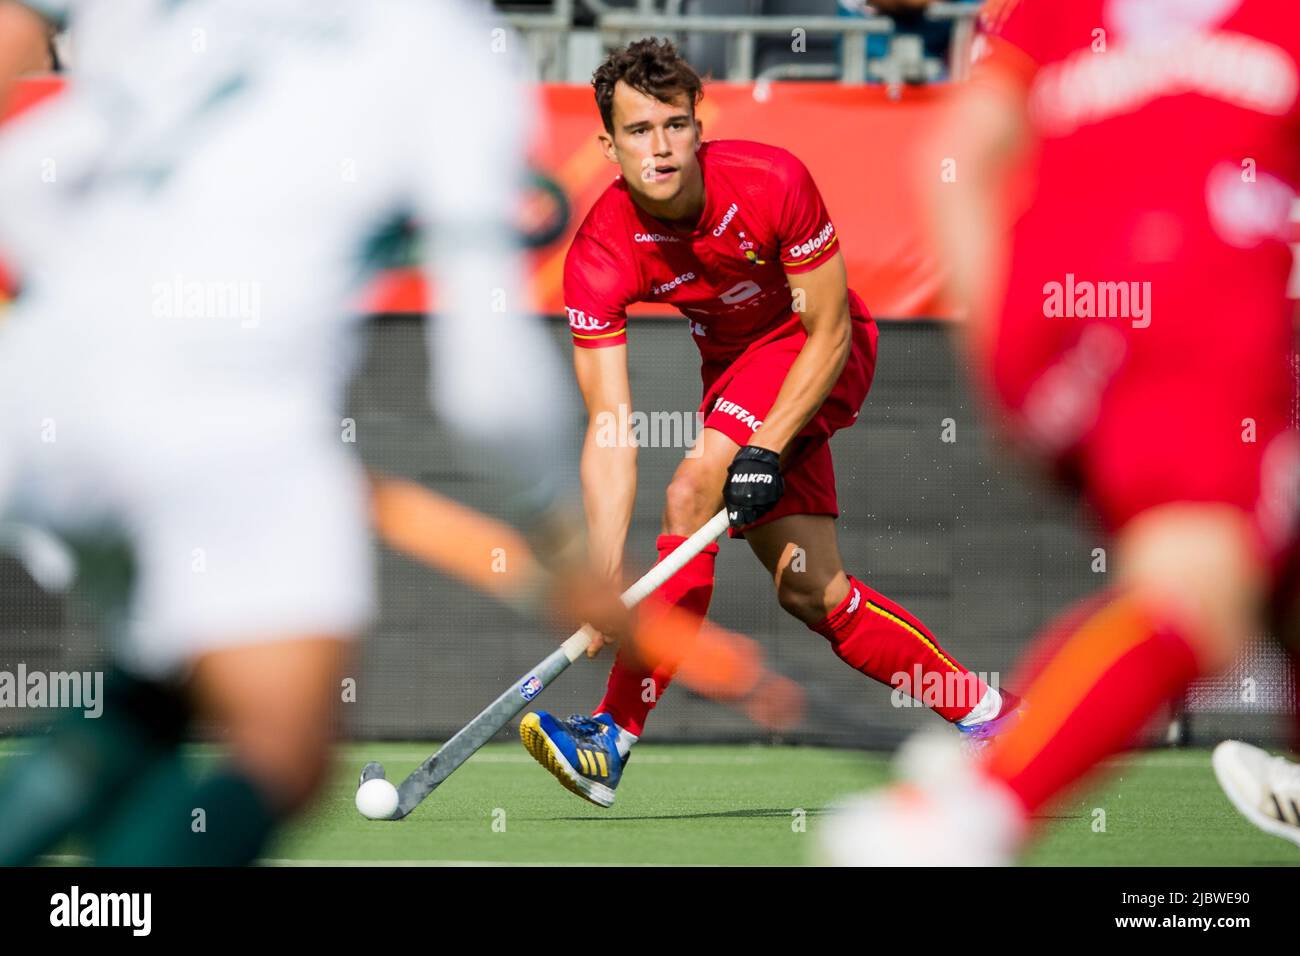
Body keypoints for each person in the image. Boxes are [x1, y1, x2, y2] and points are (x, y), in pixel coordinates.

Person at [0, 0, 623, 865]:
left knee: (157, 680)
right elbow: (489, 385)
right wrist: (564, 547)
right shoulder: (449, 48)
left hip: (32, 386)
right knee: (280, 745)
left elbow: (25, 176)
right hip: (233, 419)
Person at [819, 0, 1300, 865]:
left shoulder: (1047, 16)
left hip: (1066, 329)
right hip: (1197, 303)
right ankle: (979, 809)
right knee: (1198, 586)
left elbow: (949, 164)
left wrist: (1011, 366)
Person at [519, 37, 1019, 809]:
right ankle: (994, 718)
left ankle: (610, 737)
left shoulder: (771, 180)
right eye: (640, 131)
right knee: (816, 593)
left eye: (675, 125)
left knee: (691, 490)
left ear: (698, 125)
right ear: (607, 145)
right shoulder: (598, 254)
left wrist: (764, 448)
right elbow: (610, 426)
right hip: (737, 374)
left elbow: (829, 330)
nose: (661, 147)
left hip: (822, 345)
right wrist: (606, 571)